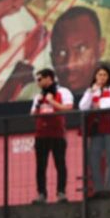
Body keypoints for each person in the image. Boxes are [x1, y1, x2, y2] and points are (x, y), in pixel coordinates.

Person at [76, 64, 110, 197]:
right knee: (93, 158)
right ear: (95, 76)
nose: (102, 77)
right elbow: (82, 106)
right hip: (97, 129)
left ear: (109, 76)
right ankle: (98, 189)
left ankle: (109, 190)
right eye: (99, 75)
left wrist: (101, 104)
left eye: (105, 75)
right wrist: (91, 93)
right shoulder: (92, 89)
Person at [29, 66, 74, 202]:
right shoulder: (38, 96)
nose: (38, 82)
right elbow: (32, 114)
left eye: (40, 79)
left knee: (60, 164)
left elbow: (69, 108)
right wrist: (39, 104)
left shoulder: (63, 91)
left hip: (57, 134)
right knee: (40, 166)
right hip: (41, 134)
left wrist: (52, 102)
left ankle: (61, 192)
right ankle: (41, 194)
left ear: (49, 78)